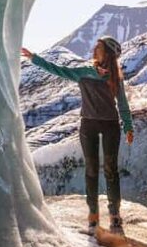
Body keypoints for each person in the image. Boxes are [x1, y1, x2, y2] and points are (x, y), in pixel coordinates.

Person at [21, 36, 134, 234]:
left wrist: (128, 127)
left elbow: (123, 104)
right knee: (91, 170)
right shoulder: (84, 72)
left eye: (98, 47)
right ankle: (93, 213)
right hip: (88, 125)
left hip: (110, 125)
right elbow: (60, 71)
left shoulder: (115, 77)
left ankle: (114, 213)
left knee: (110, 170)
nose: (94, 49)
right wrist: (35, 58)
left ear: (107, 53)